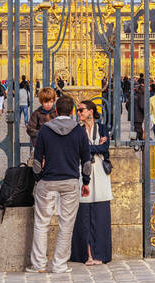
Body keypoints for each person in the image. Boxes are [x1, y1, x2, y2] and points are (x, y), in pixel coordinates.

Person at [29, 94, 91, 273]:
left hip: (48, 181)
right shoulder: (79, 131)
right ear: (72, 111)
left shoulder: (45, 131)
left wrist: (38, 178)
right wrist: (85, 182)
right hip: (70, 181)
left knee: (41, 223)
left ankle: (39, 264)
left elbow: (37, 159)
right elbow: (86, 161)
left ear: (56, 111)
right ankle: (59, 264)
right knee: (66, 225)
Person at [70, 100, 112, 266]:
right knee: (84, 213)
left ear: (91, 111)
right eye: (78, 110)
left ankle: (100, 253)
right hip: (84, 171)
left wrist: (89, 148)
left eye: (81, 110)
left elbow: (105, 148)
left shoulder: (102, 128)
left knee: (101, 213)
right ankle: (87, 254)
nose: (79, 113)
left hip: (100, 172)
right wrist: (95, 147)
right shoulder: (77, 130)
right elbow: (78, 150)